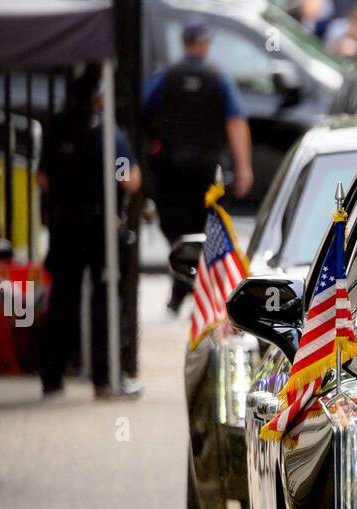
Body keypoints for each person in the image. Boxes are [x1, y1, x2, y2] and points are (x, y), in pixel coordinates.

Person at [38, 69, 143, 400]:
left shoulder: (58, 129)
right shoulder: (108, 134)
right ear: (99, 99)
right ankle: (104, 377)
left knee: (63, 301)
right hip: (99, 229)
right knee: (104, 299)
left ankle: (53, 377)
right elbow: (129, 180)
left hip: (65, 226)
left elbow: (42, 178)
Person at [141, 18, 253, 316]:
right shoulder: (219, 78)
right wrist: (243, 167)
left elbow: (141, 112)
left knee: (177, 231)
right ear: (204, 44)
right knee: (207, 231)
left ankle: (184, 289)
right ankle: (195, 290)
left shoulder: (165, 77)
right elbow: (236, 122)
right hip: (207, 168)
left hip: (171, 168)